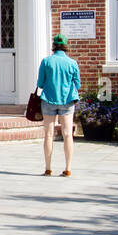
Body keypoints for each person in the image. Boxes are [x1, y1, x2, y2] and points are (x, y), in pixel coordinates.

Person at [36, 33, 81, 176]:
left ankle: (48, 168)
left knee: (48, 135)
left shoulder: (46, 61)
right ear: (66, 46)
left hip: (48, 99)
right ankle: (68, 169)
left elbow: (40, 83)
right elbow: (78, 84)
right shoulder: (73, 63)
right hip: (67, 100)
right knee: (68, 135)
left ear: (53, 46)